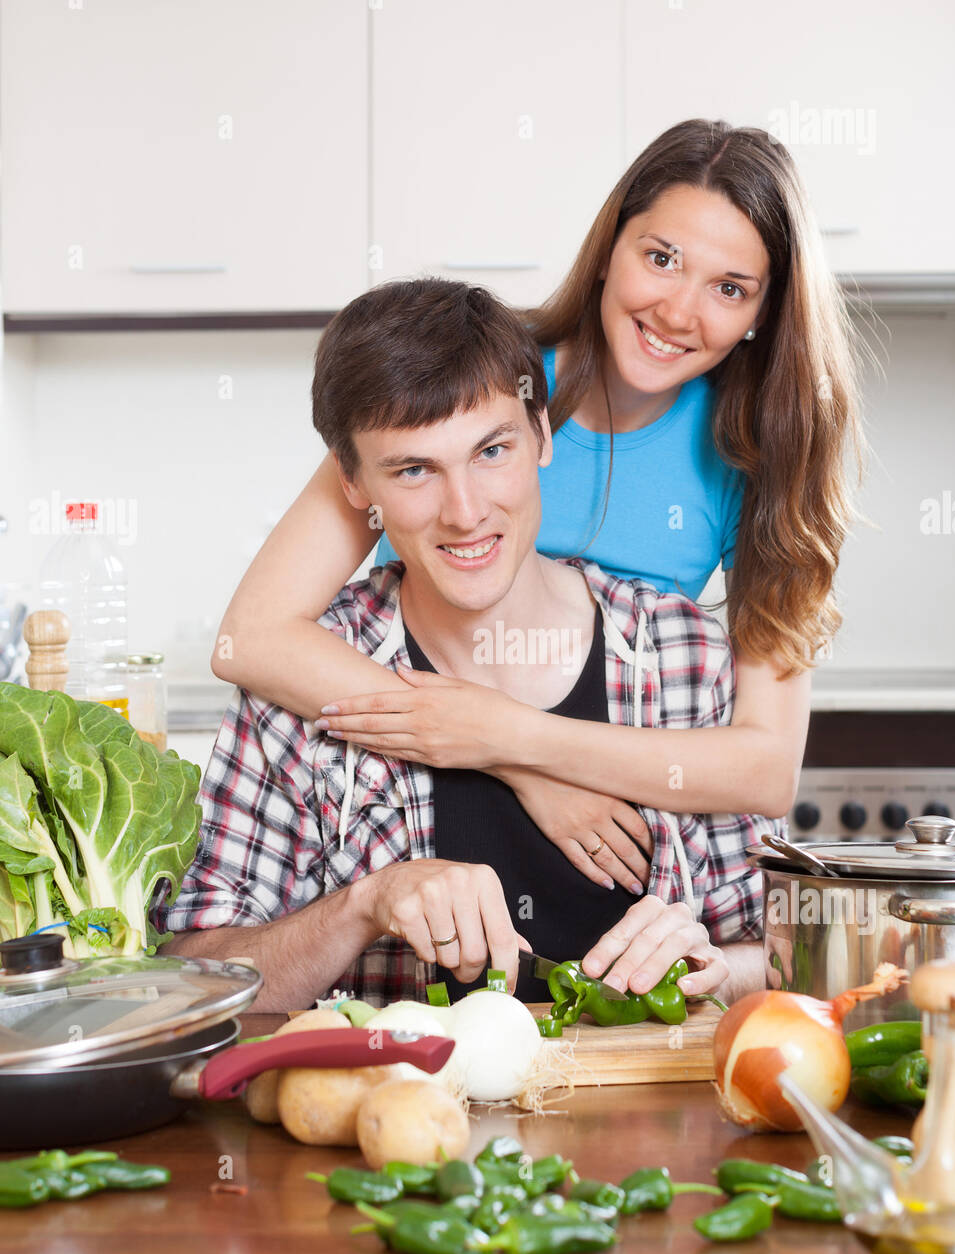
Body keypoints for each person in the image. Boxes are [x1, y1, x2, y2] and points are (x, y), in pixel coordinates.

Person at [211, 118, 863, 899]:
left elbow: (762, 769)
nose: (679, 312)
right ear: (607, 250)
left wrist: (519, 741)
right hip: (415, 780)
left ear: (764, 310)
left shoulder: (760, 454)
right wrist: (510, 761)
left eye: (729, 288)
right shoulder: (477, 382)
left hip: (615, 815)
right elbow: (249, 638)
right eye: (660, 259)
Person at [157, 279, 776, 1012]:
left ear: (542, 435)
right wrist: (363, 905)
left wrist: (715, 966)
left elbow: (778, 955)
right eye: (413, 469)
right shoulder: (299, 690)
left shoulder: (686, 660)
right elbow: (191, 985)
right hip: (397, 1119)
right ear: (354, 486)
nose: (465, 511)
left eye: (491, 450)